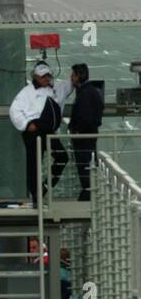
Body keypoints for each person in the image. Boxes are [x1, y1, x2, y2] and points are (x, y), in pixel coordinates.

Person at [8, 61, 72, 202]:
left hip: (48, 131)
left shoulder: (55, 89)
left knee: (62, 157)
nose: (46, 79)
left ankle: (45, 186)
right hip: (34, 131)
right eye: (43, 76)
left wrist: (74, 77)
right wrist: (26, 124)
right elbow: (14, 110)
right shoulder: (27, 92)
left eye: (48, 76)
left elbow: (68, 87)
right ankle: (35, 193)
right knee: (34, 162)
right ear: (35, 77)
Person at [58, 63, 104, 201]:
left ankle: (87, 195)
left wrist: (76, 131)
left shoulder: (85, 94)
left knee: (85, 167)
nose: (71, 78)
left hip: (83, 139)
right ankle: (88, 193)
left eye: (73, 75)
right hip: (88, 137)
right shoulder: (91, 92)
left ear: (79, 76)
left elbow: (86, 117)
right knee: (88, 166)